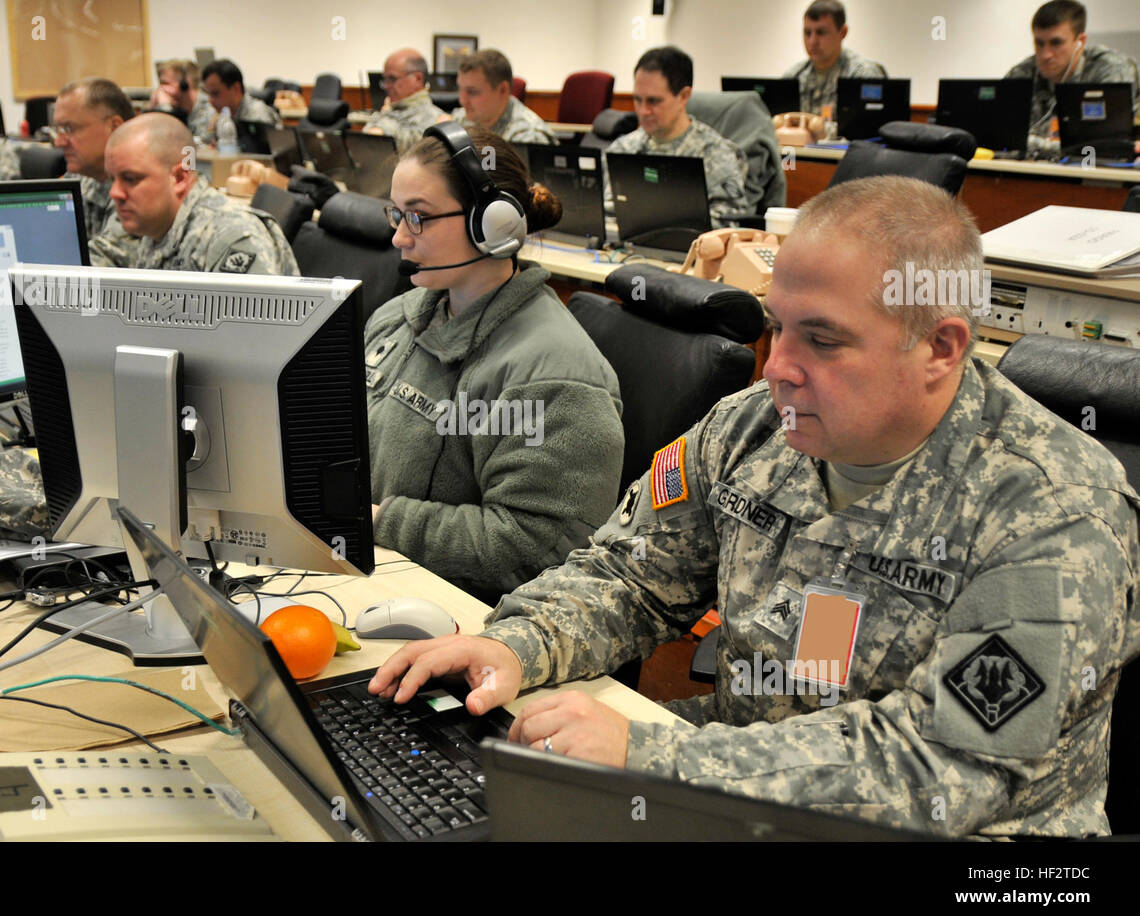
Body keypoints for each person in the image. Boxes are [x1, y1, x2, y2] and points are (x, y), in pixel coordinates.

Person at [370, 175, 1140, 838]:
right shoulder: (752, 429)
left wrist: (657, 760)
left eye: (823, 340)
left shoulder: (1058, 510)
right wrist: (518, 643)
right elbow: (631, 573)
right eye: (775, 327)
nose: (779, 369)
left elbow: (942, 763)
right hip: (741, 782)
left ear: (940, 346)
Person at [366, 123, 623, 603]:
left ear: (493, 224)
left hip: (466, 625)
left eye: (418, 217)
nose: (400, 237)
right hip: (373, 578)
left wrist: (382, 521)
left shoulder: (554, 375)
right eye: (396, 215)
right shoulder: (393, 320)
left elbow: (537, 547)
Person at [89, 113, 298, 276]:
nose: (115, 193)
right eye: (112, 179)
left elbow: (254, 330)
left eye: (131, 179)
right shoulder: (157, 227)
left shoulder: (229, 237)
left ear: (180, 178)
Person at [604, 46, 750, 225]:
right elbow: (605, 213)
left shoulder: (714, 154)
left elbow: (730, 225)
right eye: (637, 99)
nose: (643, 111)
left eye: (653, 101)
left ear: (683, 96)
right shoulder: (623, 150)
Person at [1004, 0, 1140, 155]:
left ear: (1080, 42)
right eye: (1039, 43)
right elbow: (998, 133)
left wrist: (1026, 143)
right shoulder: (1023, 73)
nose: (1045, 54)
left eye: (1056, 43)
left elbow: (1101, 145)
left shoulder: (1111, 68)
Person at [51, 78, 135, 240]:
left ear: (114, 127)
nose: (59, 142)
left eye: (69, 128)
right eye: (58, 130)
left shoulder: (140, 185)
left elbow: (110, 260)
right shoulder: (78, 178)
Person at [781, 1, 887, 117]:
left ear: (843, 32)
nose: (812, 41)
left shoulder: (863, 75)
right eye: (807, 33)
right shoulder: (794, 77)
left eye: (821, 32)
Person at [451, 50, 557, 145]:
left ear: (502, 90)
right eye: (460, 89)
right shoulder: (462, 120)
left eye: (472, 92)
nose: (462, 100)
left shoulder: (528, 136)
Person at [363, 48, 450, 153]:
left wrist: (380, 130)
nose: (386, 86)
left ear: (417, 79)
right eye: (385, 79)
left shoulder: (436, 119)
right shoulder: (388, 110)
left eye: (392, 79)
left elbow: (414, 144)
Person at [198, 58, 281, 146]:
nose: (211, 100)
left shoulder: (257, 115)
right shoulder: (223, 115)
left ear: (236, 88)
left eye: (215, 93)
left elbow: (264, 156)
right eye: (208, 94)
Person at [151, 58, 216, 140]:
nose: (161, 89)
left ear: (184, 84)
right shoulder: (176, 108)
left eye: (166, 83)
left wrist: (165, 108)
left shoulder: (210, 109)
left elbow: (194, 145)